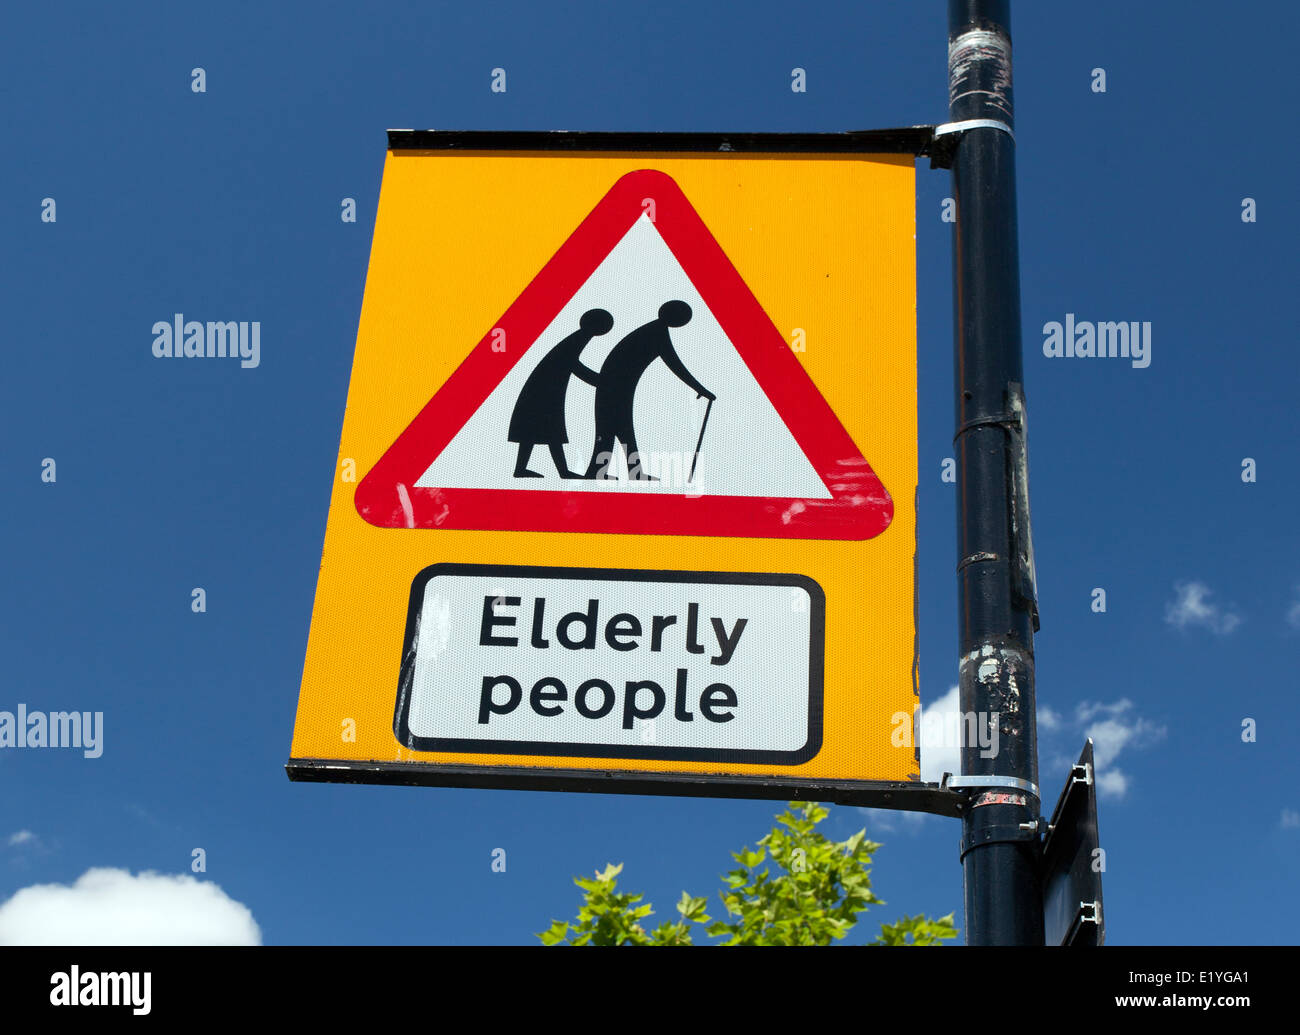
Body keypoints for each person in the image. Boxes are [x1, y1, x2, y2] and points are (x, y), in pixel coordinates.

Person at [584, 300, 714, 480]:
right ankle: (598, 473)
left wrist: (700, 389)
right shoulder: (656, 333)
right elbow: (674, 364)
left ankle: (627, 471)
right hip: (615, 388)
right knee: (609, 431)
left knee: (622, 430)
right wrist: (700, 389)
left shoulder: (653, 330)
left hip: (618, 387)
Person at [508, 309, 613, 478]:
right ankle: (560, 472)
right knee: (549, 430)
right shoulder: (578, 339)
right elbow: (573, 364)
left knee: (536, 431)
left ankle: (525, 469)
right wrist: (602, 382)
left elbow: (571, 364)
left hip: (545, 388)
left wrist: (598, 381)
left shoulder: (578, 337)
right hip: (546, 390)